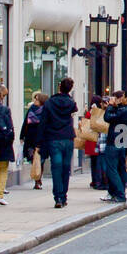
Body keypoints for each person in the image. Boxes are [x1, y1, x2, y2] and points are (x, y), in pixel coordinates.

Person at [38, 78, 78, 209]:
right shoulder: (71, 103)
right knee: (66, 168)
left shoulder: (49, 102)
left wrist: (39, 142)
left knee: (57, 168)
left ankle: (58, 197)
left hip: (54, 138)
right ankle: (64, 195)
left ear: (59, 87)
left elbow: (43, 122)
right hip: (68, 138)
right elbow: (74, 110)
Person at [101, 90, 127, 203]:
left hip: (114, 142)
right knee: (120, 169)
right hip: (122, 142)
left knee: (111, 169)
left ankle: (120, 194)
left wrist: (110, 106)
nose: (120, 99)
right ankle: (114, 192)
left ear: (126, 98)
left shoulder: (124, 111)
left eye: (123, 97)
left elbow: (107, 118)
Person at [21, 91, 46, 190]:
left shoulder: (45, 111)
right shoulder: (31, 109)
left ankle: (38, 180)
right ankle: (36, 178)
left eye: (37, 99)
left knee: (41, 160)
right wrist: (22, 136)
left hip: (41, 138)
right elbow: (25, 123)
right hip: (30, 138)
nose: (35, 100)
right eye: (34, 98)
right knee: (33, 159)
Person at [82, 96, 107, 189]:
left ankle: (95, 180)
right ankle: (98, 180)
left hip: (91, 139)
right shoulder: (98, 112)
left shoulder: (90, 112)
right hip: (96, 140)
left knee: (94, 163)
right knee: (97, 163)